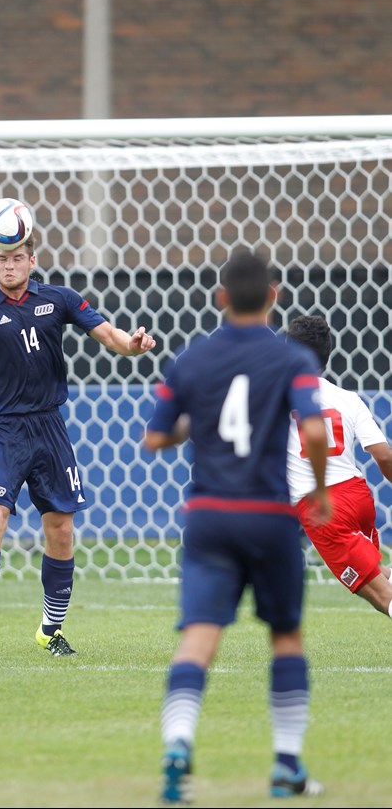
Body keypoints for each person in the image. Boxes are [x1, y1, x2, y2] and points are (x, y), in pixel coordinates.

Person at [143, 249, 331, 804]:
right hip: (270, 515)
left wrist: (189, 427)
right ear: (273, 295)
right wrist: (319, 489)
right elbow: (315, 431)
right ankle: (288, 765)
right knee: (286, 637)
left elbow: (155, 438)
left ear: (221, 297)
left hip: (208, 517)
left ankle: (177, 749)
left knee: (199, 638)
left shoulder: (193, 359)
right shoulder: (293, 358)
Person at [0, 232, 155, 655]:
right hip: (4, 429)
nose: (8, 266)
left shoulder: (59, 299)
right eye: (1, 259)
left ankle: (50, 629)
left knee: (61, 529)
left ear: (32, 260)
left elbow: (108, 336)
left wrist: (132, 347)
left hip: (49, 427)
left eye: (16, 258)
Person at [286, 314, 392, 614]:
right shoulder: (348, 398)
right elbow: (384, 455)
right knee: (376, 574)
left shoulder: (277, 397)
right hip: (358, 496)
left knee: (384, 598)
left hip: (323, 509)